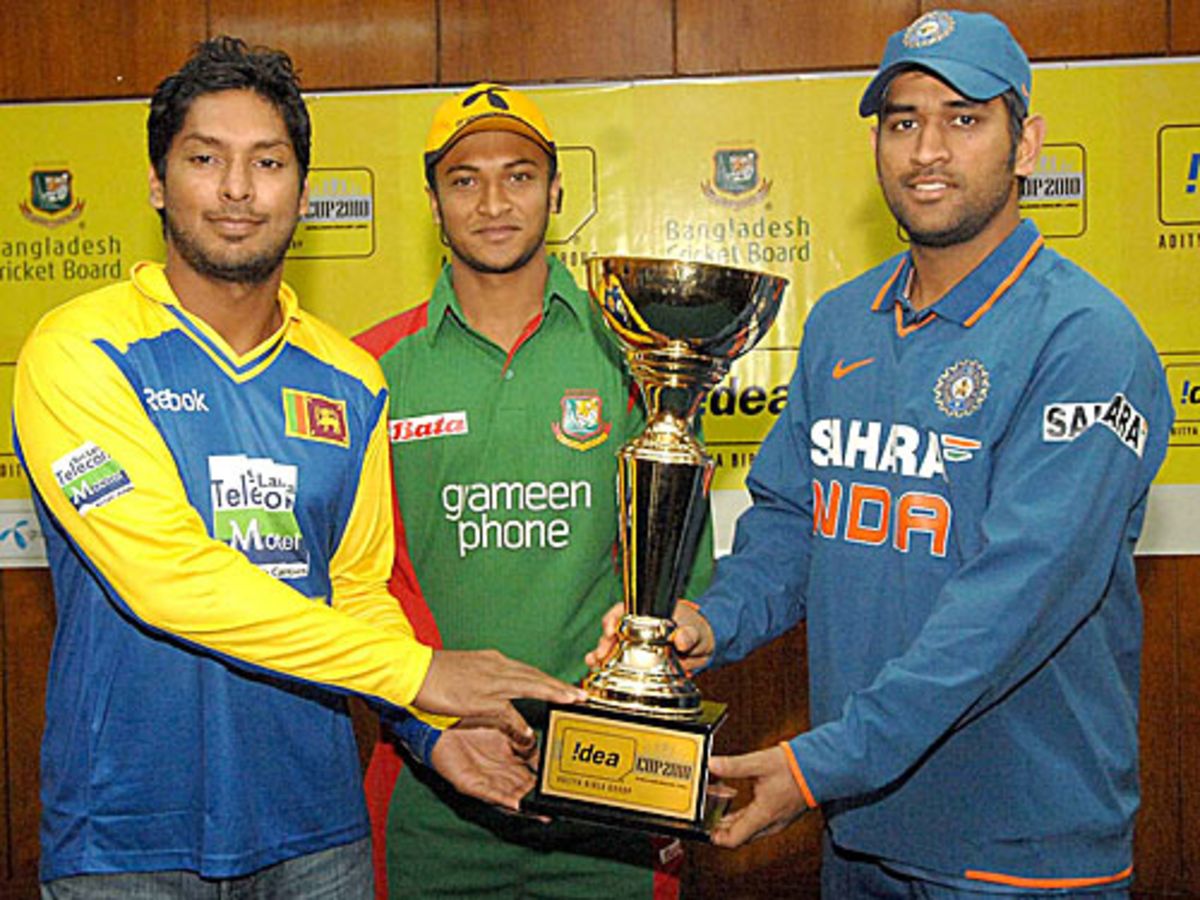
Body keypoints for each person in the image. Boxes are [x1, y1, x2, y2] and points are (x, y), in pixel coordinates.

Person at [593, 9, 1172, 897]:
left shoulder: (1086, 341)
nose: (927, 149)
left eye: (965, 118)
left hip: (1020, 851)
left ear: (1027, 146)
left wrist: (818, 767)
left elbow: (1011, 607)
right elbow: (792, 526)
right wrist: (711, 622)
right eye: (903, 121)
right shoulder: (840, 324)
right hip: (863, 832)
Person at [14, 39, 585, 899]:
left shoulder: (350, 379)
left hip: (315, 831)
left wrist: (428, 729)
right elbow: (167, 577)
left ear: (303, 194)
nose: (238, 189)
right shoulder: (82, 350)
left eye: (267, 162)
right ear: (158, 184)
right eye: (206, 159)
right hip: (125, 838)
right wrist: (426, 676)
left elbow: (356, 591)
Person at [355, 83, 712, 898]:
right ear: (432, 200)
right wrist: (431, 723)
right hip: (432, 787)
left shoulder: (641, 356)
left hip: (611, 792)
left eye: (518, 175)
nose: (492, 202)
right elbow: (358, 588)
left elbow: (679, 577)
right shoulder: (371, 369)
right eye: (464, 178)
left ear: (556, 192)